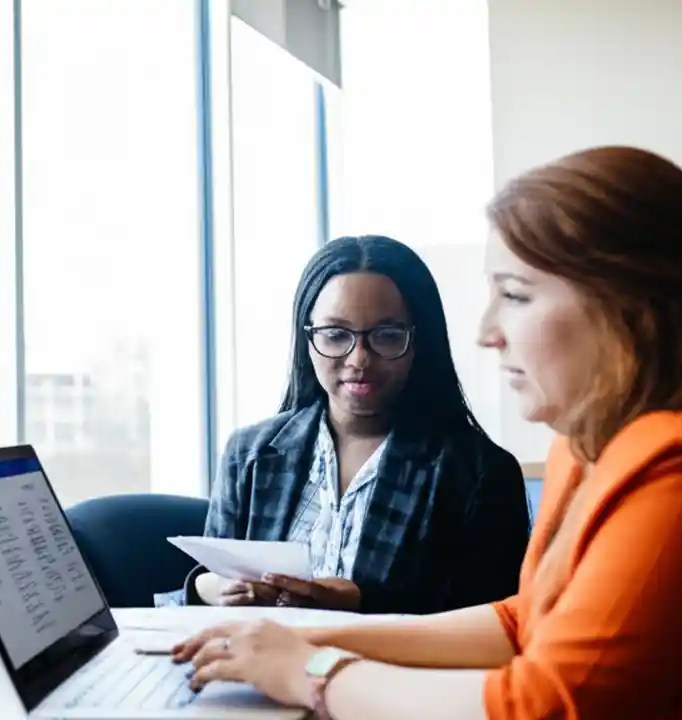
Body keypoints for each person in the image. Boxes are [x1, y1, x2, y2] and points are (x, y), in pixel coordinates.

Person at [171, 148, 682, 718]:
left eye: (517, 294)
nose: (487, 332)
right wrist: (298, 637)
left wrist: (312, 668)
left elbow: (541, 707)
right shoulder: (594, 445)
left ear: (630, 310)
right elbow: (522, 621)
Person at [159, 235, 529, 615]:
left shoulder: (479, 473)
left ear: (419, 342)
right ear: (307, 338)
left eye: (386, 336)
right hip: (258, 669)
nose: (359, 358)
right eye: (335, 335)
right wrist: (209, 587)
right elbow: (209, 577)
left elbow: (495, 623)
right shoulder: (250, 453)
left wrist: (362, 601)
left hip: (391, 672)